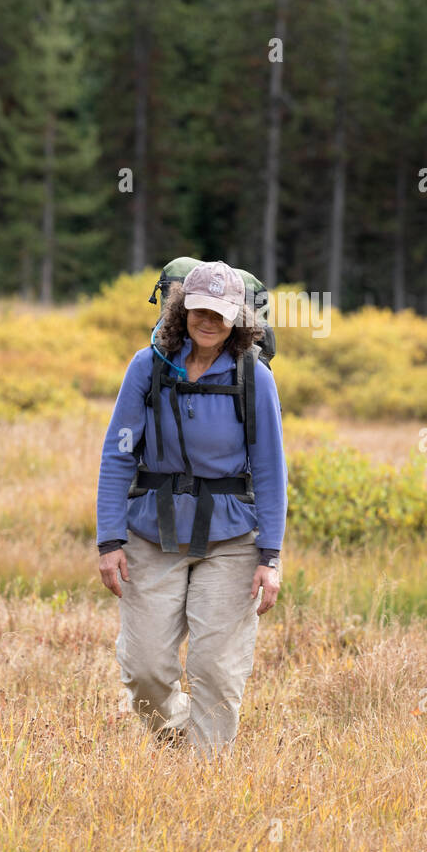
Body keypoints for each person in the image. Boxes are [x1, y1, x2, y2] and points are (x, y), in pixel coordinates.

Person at [96, 259, 288, 759]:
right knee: (145, 670)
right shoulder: (147, 365)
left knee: (217, 672)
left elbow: (269, 469)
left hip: (232, 541)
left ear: (238, 318)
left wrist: (270, 556)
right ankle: (179, 737)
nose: (209, 321)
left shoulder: (254, 378)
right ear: (182, 310)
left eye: (220, 313)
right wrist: (109, 540)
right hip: (151, 533)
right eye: (199, 310)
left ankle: (204, 782)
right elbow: (118, 453)